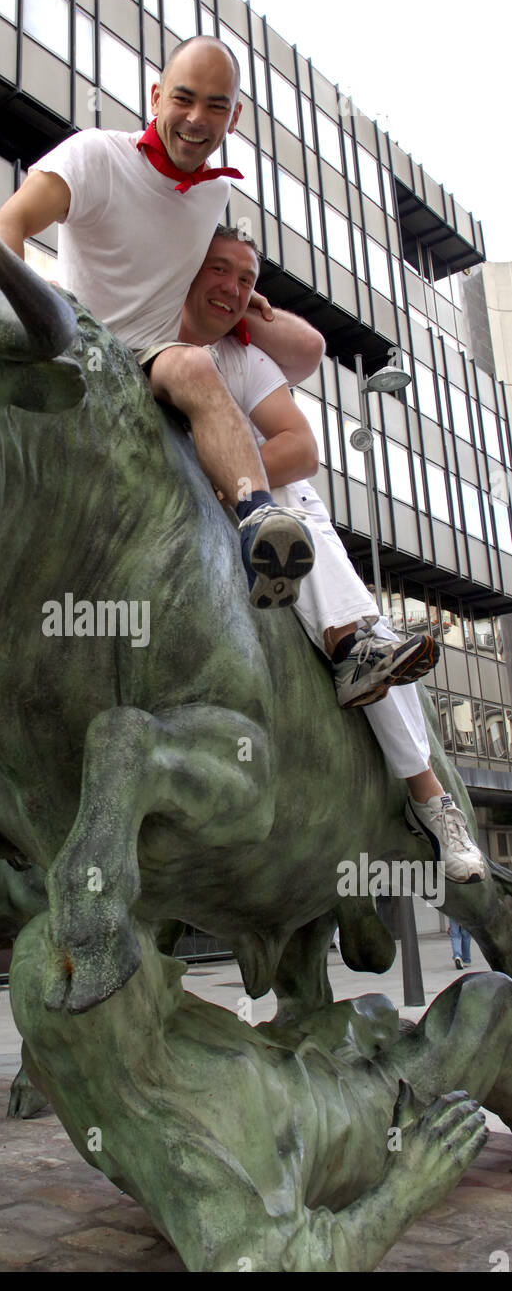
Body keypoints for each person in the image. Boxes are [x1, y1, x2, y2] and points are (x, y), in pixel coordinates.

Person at [178, 226, 485, 883]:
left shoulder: (241, 358)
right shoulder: (147, 342)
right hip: (187, 513)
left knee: (300, 532)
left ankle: (429, 796)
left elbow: (299, 446)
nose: (233, 288)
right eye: (219, 270)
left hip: (267, 507)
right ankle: (357, 652)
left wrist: (225, 474)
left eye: (245, 278)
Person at [0, 35, 325, 610]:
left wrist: (248, 296)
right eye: (184, 99)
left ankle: (257, 518)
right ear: (155, 96)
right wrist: (26, 318)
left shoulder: (216, 192)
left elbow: (180, 260)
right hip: (86, 349)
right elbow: (9, 224)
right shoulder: (95, 157)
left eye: (216, 106)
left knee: (194, 362)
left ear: (234, 115)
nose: (197, 120)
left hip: (151, 361)